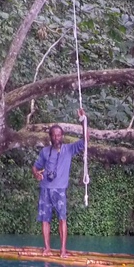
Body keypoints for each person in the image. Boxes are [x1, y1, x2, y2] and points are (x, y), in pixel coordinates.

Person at [32, 109, 87, 257]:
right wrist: (36, 174)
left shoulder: (69, 149)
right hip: (45, 189)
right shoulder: (45, 151)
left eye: (59, 135)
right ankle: (47, 249)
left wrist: (83, 121)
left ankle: (63, 251)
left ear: (62, 136)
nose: (56, 137)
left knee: (62, 219)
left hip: (60, 190)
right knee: (45, 219)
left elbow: (86, 139)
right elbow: (35, 167)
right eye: (54, 135)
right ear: (50, 137)